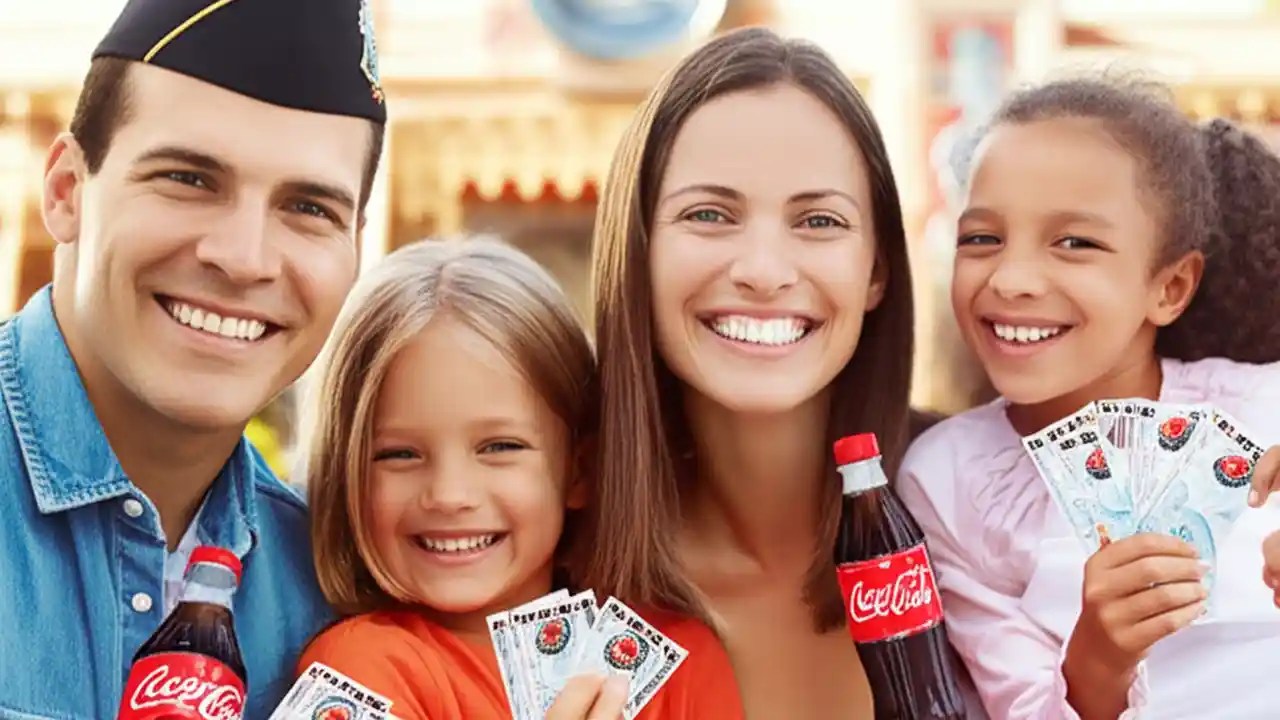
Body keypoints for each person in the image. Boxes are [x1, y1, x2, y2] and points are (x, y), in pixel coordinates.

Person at [0, 0, 386, 715]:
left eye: (309, 208)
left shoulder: (336, 590)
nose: (243, 260)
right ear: (65, 192)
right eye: (188, 179)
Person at [897, 76, 1280, 719]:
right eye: (982, 238)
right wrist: (1099, 655)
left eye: (1075, 243)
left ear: (1170, 287)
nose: (1012, 279)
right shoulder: (949, 479)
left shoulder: (1266, 403)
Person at [580, 27, 922, 718]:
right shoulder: (540, 572)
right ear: (638, 252)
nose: (763, 271)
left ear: (877, 269)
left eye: (819, 221)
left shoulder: (979, 523)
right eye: (709, 214)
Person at [296, 238, 744, 720]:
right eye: (399, 454)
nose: (449, 495)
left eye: (499, 448)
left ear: (581, 470)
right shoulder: (354, 673)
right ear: (346, 477)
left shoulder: (679, 662)